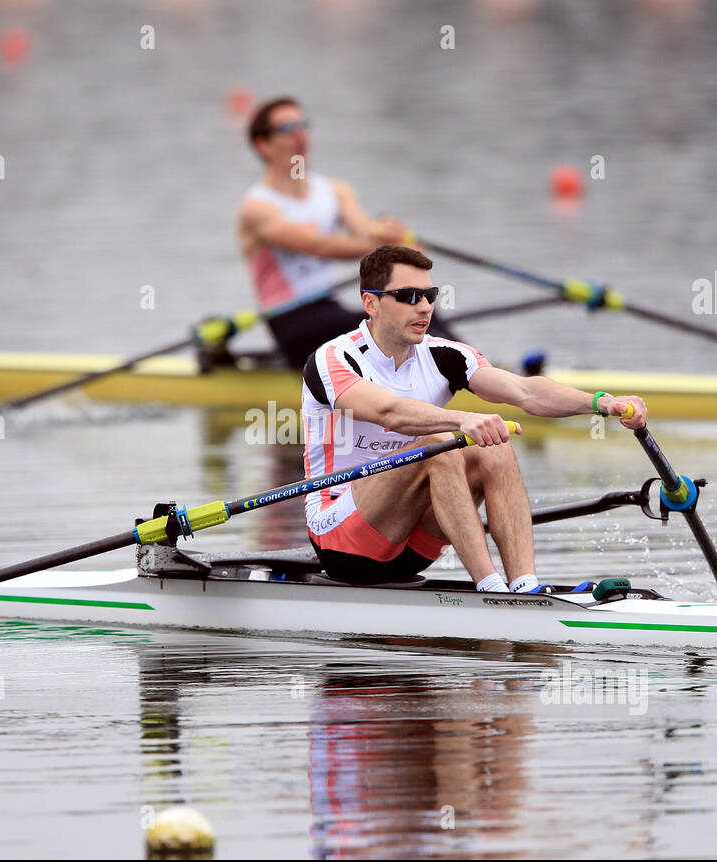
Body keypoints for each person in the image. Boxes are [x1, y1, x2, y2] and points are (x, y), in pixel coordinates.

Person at [302, 245, 648, 593]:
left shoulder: (444, 354)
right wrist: (462, 420)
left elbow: (526, 392)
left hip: (411, 548)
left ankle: (524, 586)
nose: (424, 306)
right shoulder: (333, 359)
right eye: (408, 296)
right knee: (439, 445)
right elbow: (388, 412)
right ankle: (490, 588)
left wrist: (601, 402)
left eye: (429, 295)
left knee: (493, 445)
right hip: (342, 538)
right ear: (371, 303)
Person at [238, 96, 411, 368]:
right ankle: (463, 384)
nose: (299, 135)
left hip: (331, 309)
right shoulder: (257, 207)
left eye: (302, 125)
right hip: (293, 321)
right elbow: (321, 246)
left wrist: (391, 237)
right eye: (286, 129)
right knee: (398, 321)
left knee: (418, 311)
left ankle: (472, 373)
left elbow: (366, 232)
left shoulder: (335, 190)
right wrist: (389, 249)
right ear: (263, 145)